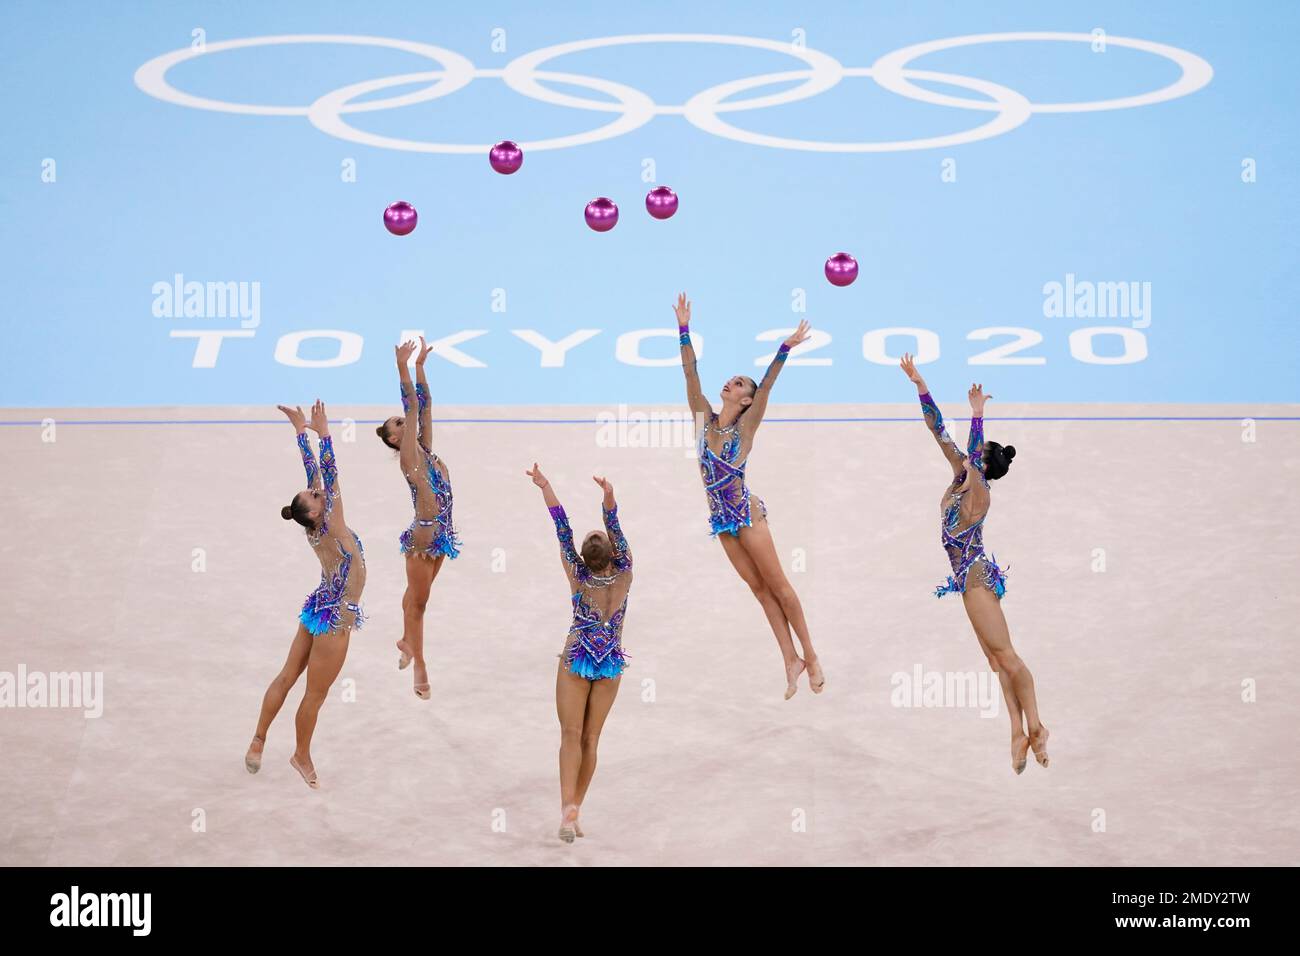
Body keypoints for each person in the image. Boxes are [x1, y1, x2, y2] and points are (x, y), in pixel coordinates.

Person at [899, 354, 1049, 772]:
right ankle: (1017, 730)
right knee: (995, 660)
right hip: (968, 579)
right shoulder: (961, 475)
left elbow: (966, 448)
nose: (964, 455)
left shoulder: (979, 491)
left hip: (978, 578)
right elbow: (937, 429)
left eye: (973, 453)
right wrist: (919, 383)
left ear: (980, 462)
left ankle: (1037, 726)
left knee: (1008, 657)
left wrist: (979, 414)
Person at [675, 292, 824, 699]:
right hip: (722, 523)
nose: (732, 382)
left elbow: (769, 385)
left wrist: (783, 350)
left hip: (746, 515)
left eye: (740, 383)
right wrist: (683, 330)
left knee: (780, 586)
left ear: (746, 401)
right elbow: (691, 378)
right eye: (733, 378)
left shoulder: (745, 429)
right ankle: (790, 660)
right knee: (760, 593)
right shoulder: (704, 419)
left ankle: (811, 654)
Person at [245, 400, 366, 789]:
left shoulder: (314, 523)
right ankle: (300, 754)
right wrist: (325, 432)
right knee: (314, 694)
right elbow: (329, 474)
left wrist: (301, 430)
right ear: (315, 512)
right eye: (314, 496)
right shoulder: (332, 521)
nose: (318, 492)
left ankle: (257, 741)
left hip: (317, 608)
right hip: (336, 617)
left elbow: (315, 476)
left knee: (287, 675)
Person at [526, 464, 632, 843]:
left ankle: (566, 810)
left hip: (577, 660)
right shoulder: (625, 573)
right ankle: (575, 809)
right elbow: (614, 524)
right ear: (612, 552)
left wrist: (546, 486)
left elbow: (561, 527)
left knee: (570, 735)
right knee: (591, 739)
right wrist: (607, 497)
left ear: (584, 556)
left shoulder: (577, 572)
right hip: (610, 664)